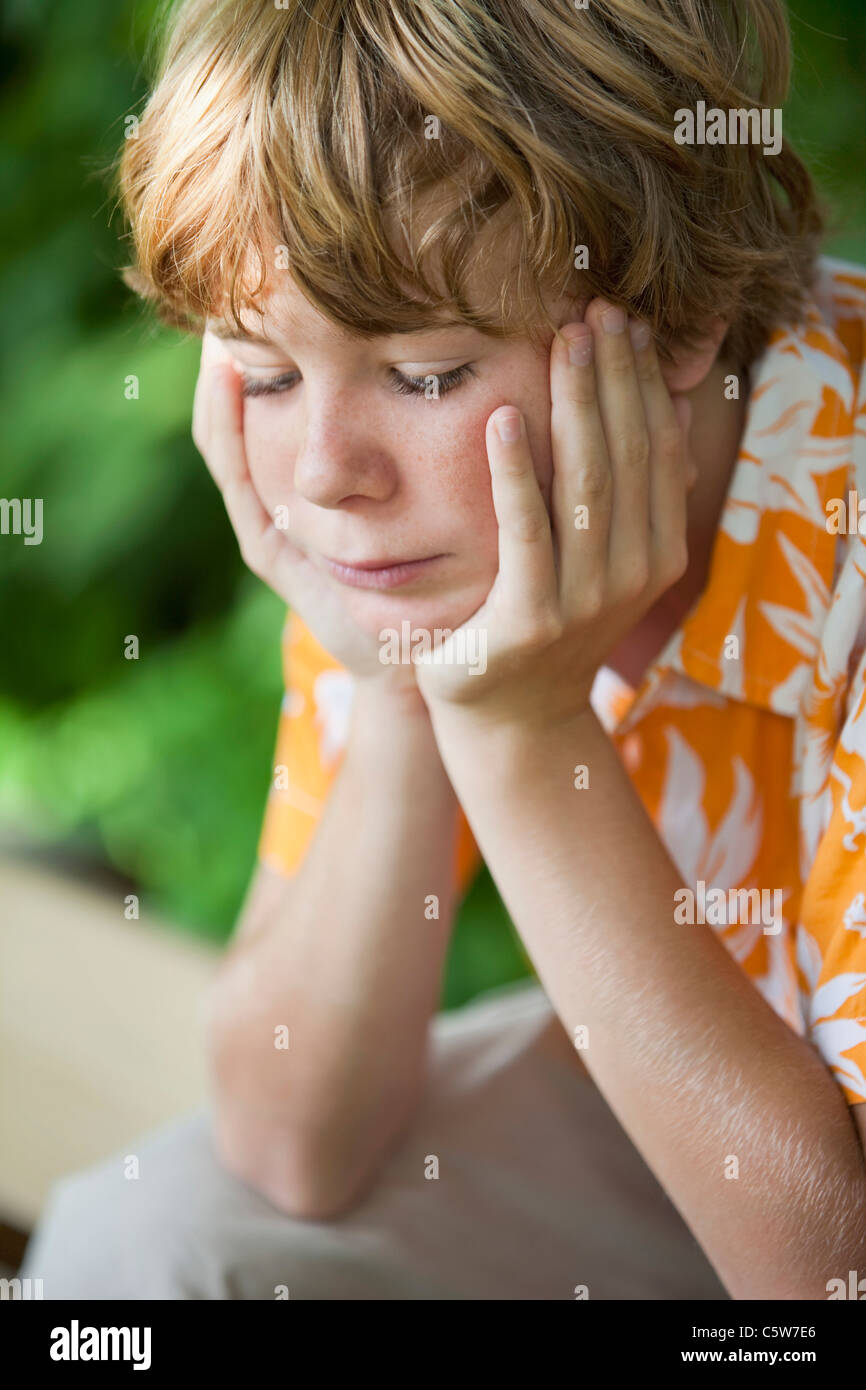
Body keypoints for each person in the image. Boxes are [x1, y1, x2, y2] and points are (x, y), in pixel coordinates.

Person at [20, 0, 866, 1299]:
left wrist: (522, 732)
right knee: (148, 1251)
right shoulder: (411, 525)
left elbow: (827, 1269)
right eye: (262, 372)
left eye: (423, 375)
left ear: (681, 324)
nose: (324, 472)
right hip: (706, 1088)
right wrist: (400, 679)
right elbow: (288, 1139)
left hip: (807, 1186)